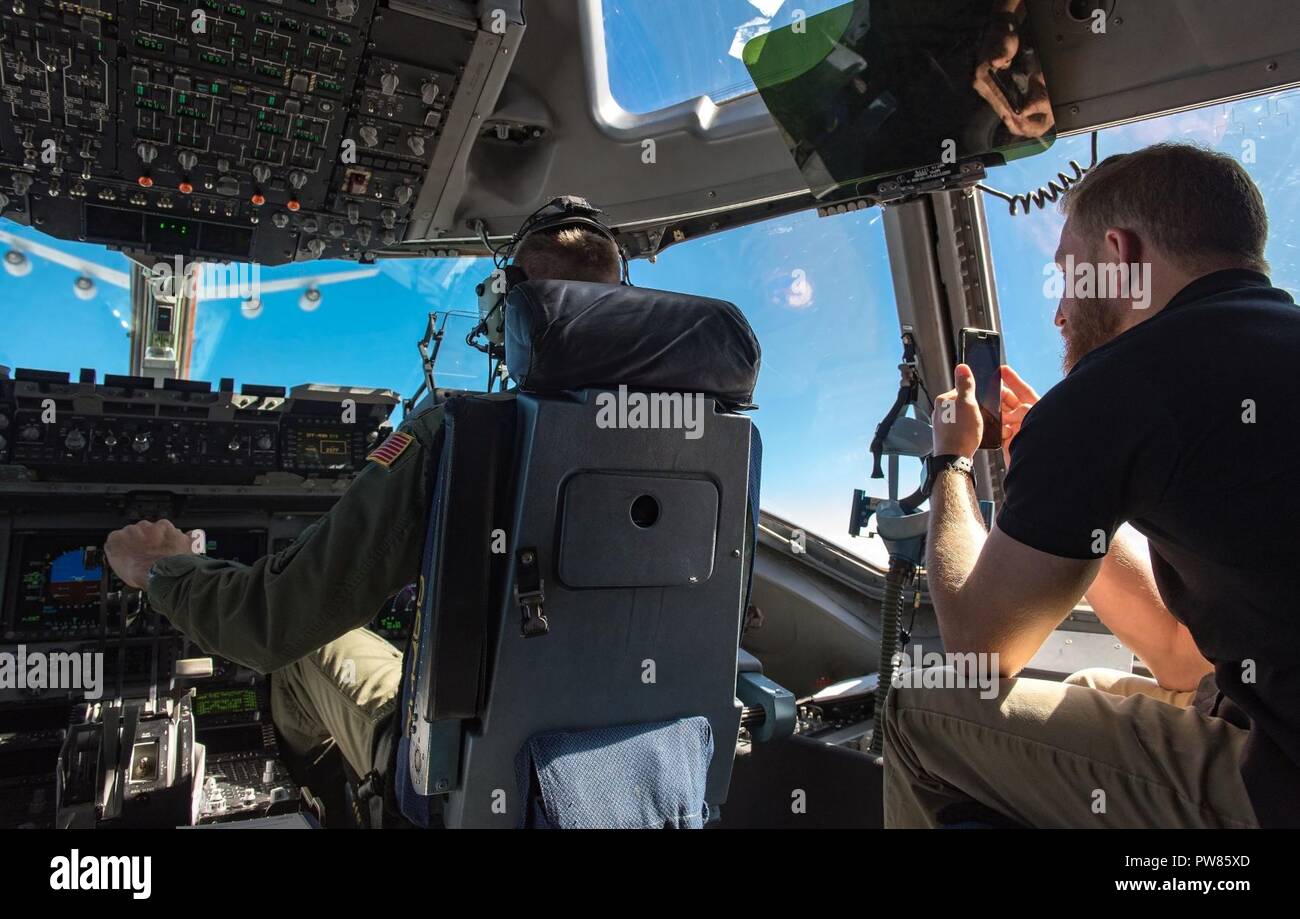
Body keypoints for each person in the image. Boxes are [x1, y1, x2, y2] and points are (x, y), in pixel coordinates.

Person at [103, 208, 625, 784]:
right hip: (635, 765)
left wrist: (158, 568)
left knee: (311, 644)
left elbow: (271, 622)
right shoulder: (714, 435)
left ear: (507, 308)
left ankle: (342, 799)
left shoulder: (461, 439)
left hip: (475, 772)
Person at [886, 142, 1300, 828]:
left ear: (1120, 253)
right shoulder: (1265, 347)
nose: (1059, 312)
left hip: (1281, 786)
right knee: (1090, 686)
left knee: (914, 703)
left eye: (1066, 277)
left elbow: (980, 654)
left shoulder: (1120, 382)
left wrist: (950, 461)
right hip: (1267, 720)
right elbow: (1172, 649)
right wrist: (1059, 482)